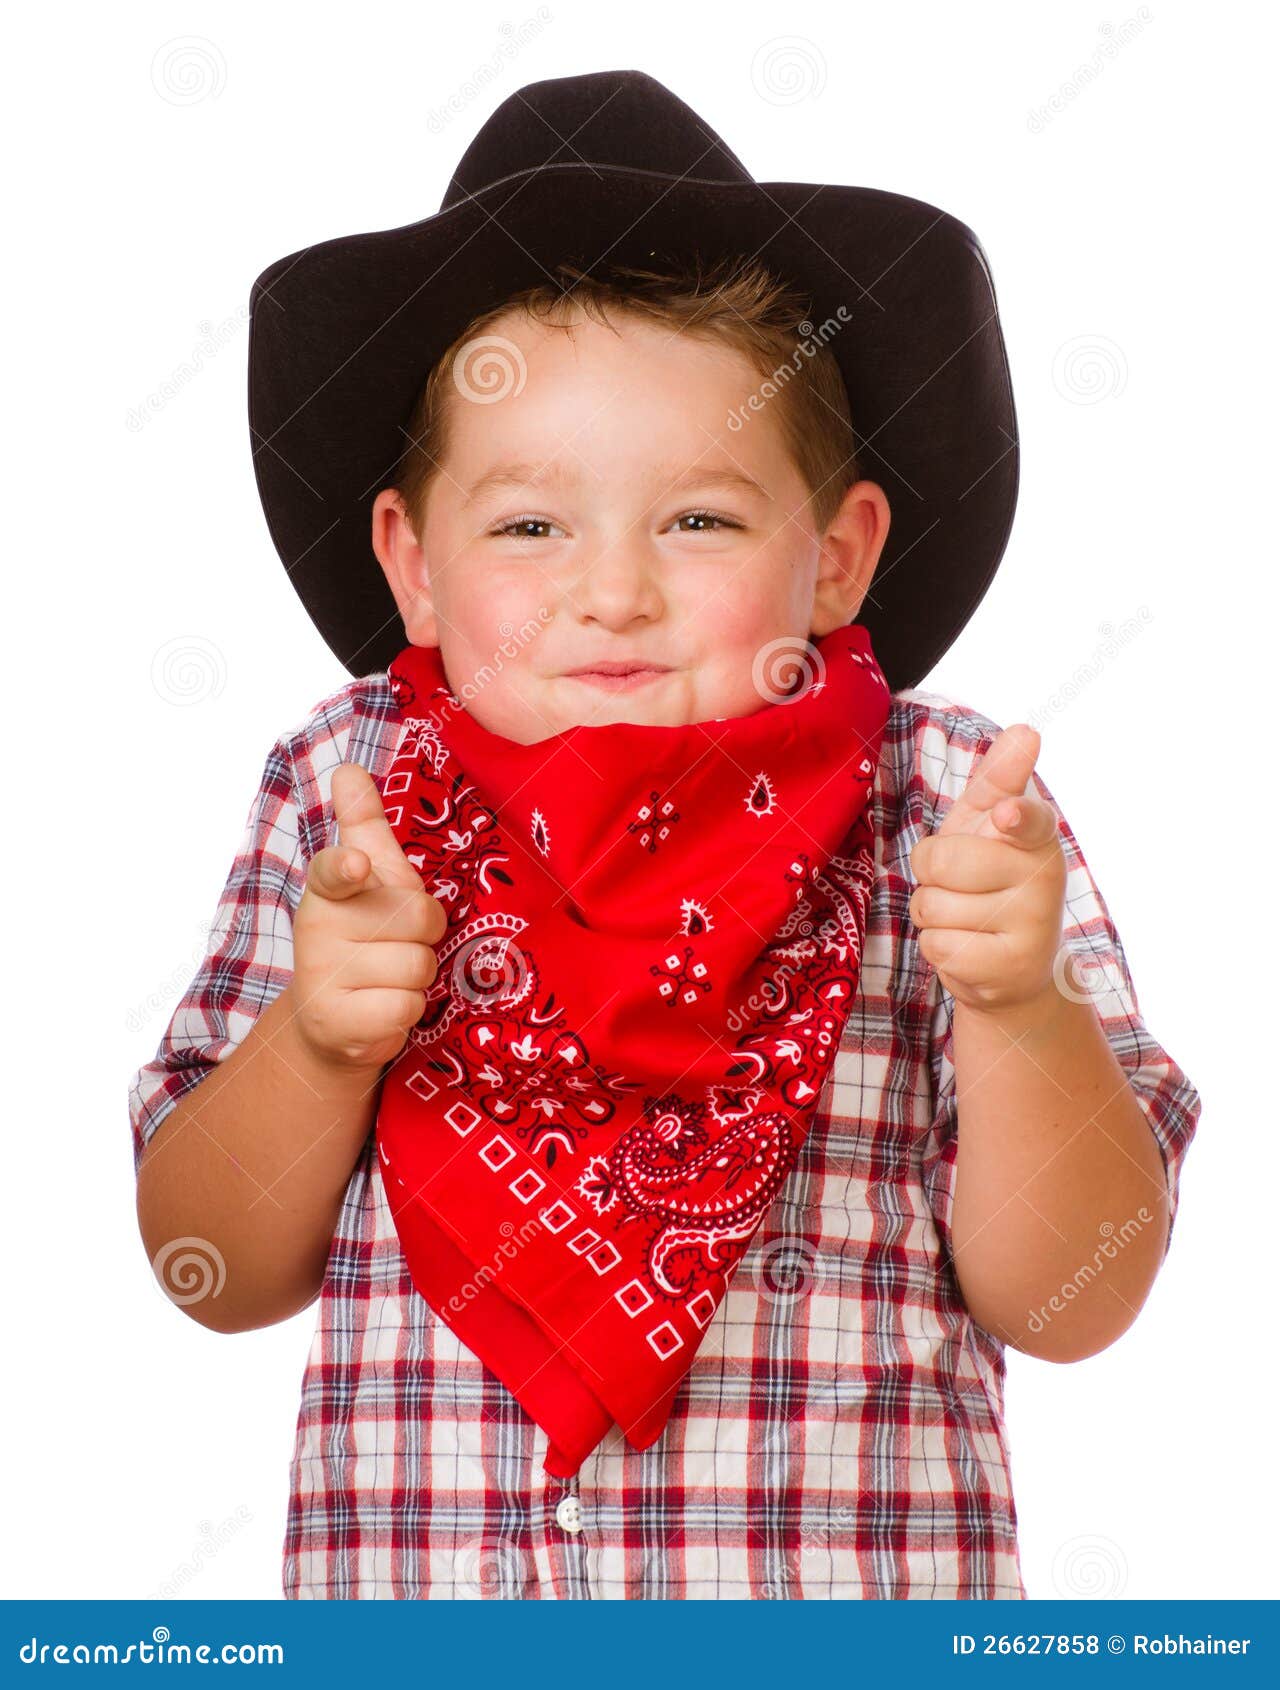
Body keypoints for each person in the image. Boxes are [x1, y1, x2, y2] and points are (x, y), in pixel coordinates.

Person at [128, 69, 1200, 1599]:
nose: (611, 589)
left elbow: (1075, 1299)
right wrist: (314, 1039)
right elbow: (209, 1270)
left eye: (696, 519)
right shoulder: (343, 791)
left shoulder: (952, 811)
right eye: (526, 525)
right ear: (412, 568)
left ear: (835, 557)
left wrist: (1021, 1008)